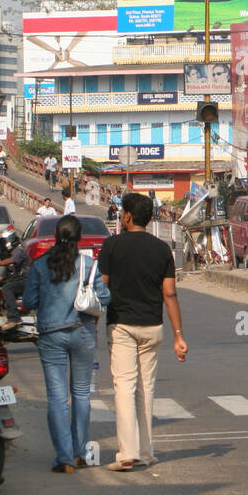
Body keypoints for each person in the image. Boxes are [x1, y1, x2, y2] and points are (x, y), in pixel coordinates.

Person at [98, 192, 187, 472]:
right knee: (146, 389)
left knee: (124, 386)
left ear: (126, 216)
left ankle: (127, 453)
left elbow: (102, 287)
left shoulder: (111, 246)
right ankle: (147, 453)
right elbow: (170, 294)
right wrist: (179, 335)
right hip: (153, 326)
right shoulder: (162, 250)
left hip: (122, 324)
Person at [22, 214, 110, 472]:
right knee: (81, 394)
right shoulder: (88, 264)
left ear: (55, 236)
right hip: (82, 332)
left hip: (51, 334)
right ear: (79, 238)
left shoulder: (39, 265)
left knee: (58, 398)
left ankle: (64, 458)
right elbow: (105, 297)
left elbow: (28, 301)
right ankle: (80, 452)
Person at [0, 230, 32, 329]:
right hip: (19, 279)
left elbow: (11, 261)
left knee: (7, 288)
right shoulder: (13, 254)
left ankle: (14, 318)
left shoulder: (19, 250)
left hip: (28, 280)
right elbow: (2, 276)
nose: (3, 246)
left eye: (4, 242)